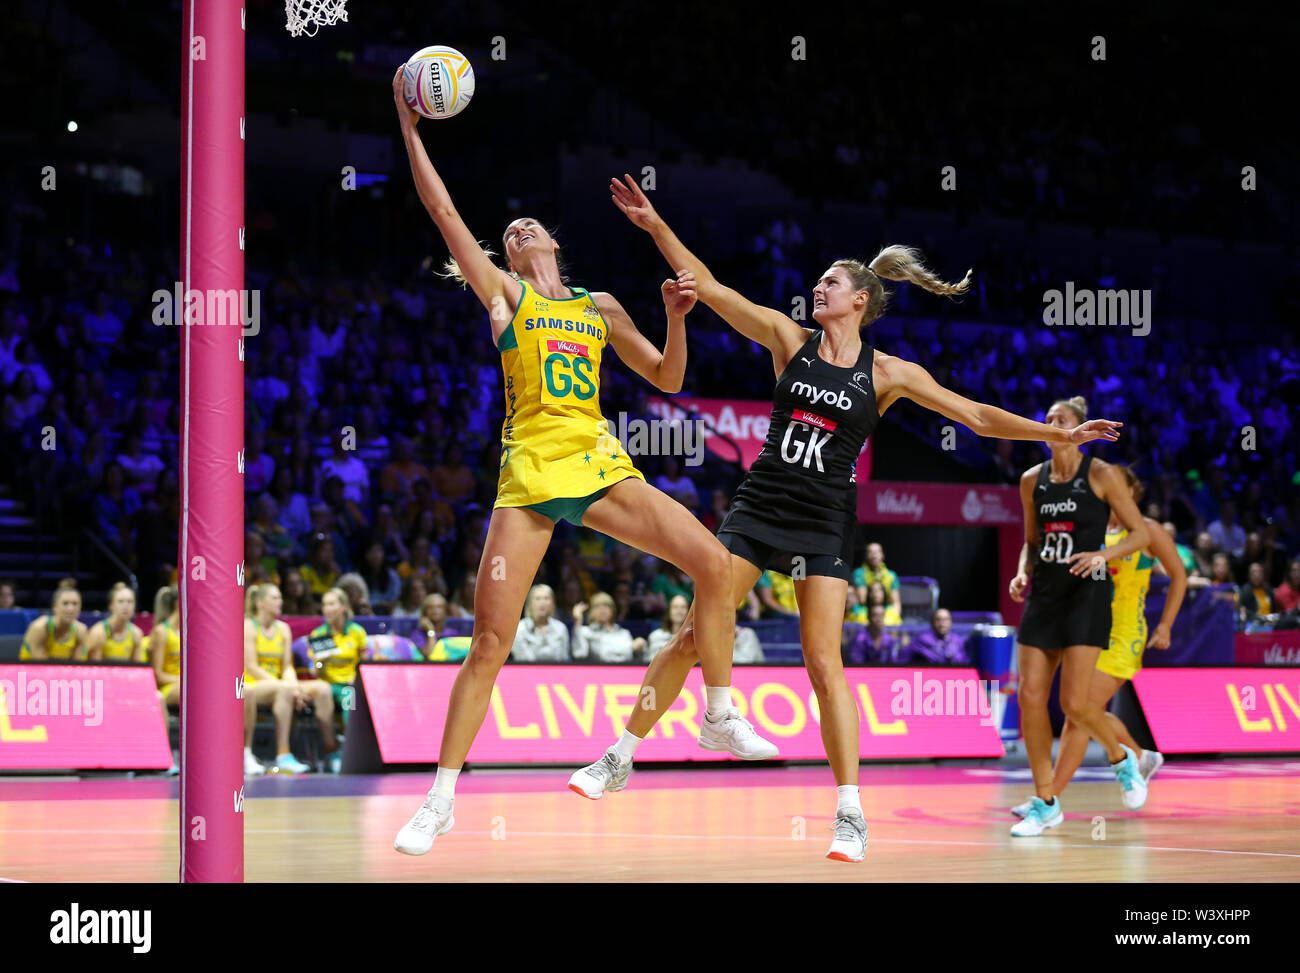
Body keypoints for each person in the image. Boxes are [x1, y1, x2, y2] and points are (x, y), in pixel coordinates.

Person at [570, 175, 1126, 863]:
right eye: (820, 282)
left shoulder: (889, 371)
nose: (818, 289)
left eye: (830, 283)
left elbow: (976, 415)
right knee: (690, 636)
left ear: (859, 300)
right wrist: (655, 224)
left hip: (825, 520)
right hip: (760, 503)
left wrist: (1061, 437)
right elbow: (706, 284)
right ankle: (619, 756)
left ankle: (851, 812)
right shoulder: (786, 335)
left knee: (823, 660)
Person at [389, 74, 742, 857]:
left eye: (528, 225)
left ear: (553, 240)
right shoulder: (507, 297)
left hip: (600, 461)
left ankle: (717, 710)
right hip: (530, 477)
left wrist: (677, 318)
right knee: (489, 640)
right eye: (508, 230)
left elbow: (669, 379)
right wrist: (409, 127)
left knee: (715, 563)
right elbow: (445, 214)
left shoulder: (599, 305)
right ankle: (441, 797)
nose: (517, 229)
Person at [1008, 397, 1152, 837]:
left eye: (1061, 419)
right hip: (1045, 596)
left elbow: (1141, 533)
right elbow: (1031, 540)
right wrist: (1020, 572)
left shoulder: (1103, 475)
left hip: (1086, 597)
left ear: (1080, 428)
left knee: (1074, 704)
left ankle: (1120, 756)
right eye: (1048, 420)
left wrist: (1102, 554)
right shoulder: (1032, 480)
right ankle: (1046, 802)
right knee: (1030, 698)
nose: (1053, 425)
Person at [1012, 466, 1187, 816]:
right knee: (1086, 710)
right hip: (1084, 628)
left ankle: (1049, 800)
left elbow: (1180, 577)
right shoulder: (1089, 527)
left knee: (1079, 713)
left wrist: (1165, 625)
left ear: (1130, 492)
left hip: (1124, 635)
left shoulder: (1148, 531)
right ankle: (1139, 756)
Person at [242, 584, 331, 776]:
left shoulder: (283, 629)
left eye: (280, 598)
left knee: (322, 688)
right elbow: (251, 667)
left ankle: (331, 750)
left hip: (280, 686)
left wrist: (294, 686)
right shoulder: (248, 627)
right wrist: (285, 686)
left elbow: (288, 667)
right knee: (284, 690)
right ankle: (283, 754)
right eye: (275, 598)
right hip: (253, 684)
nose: (280, 602)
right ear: (260, 603)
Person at [305, 588, 369, 732]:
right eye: (324, 605)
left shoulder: (357, 632)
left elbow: (364, 664)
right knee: (324, 694)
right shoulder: (319, 634)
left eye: (331, 604)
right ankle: (331, 746)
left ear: (343, 607)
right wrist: (321, 661)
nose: (327, 609)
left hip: (349, 684)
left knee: (349, 696)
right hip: (327, 685)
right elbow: (317, 671)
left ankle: (350, 745)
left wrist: (357, 679)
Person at [19, 580, 87, 660]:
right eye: (65, 603)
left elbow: (78, 666)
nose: (70, 609)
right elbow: (42, 666)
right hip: (25, 671)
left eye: (75, 604)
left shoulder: (81, 630)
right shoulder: (39, 628)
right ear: (55, 607)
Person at [572, 592, 646, 663]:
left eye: (606, 605)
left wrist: (638, 649)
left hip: (624, 674)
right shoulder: (585, 632)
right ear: (591, 611)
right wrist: (578, 622)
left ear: (612, 610)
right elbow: (579, 655)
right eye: (597, 606)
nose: (602, 609)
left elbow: (633, 660)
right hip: (598, 673)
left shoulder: (624, 633)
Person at [85, 582, 145, 662]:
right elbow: (94, 670)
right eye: (120, 601)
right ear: (111, 606)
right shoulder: (98, 633)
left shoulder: (136, 634)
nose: (126, 606)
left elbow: (138, 669)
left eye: (130, 601)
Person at [510, 584, 570, 661]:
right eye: (538, 599)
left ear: (552, 603)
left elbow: (564, 660)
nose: (542, 603)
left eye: (546, 598)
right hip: (527, 672)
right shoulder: (519, 629)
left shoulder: (561, 628)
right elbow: (523, 659)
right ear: (530, 603)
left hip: (556, 672)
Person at [149, 586, 182, 711]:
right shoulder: (161, 632)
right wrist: (185, 681)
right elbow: (158, 675)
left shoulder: (192, 631)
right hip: (167, 688)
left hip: (187, 685)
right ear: (178, 603)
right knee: (195, 691)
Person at [853, 542, 902, 621]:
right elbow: (862, 600)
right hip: (865, 611)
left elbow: (896, 602)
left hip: (885, 611)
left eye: (877, 552)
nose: (874, 555)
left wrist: (892, 619)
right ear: (866, 556)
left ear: (882, 555)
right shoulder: (859, 573)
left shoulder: (891, 575)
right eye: (870, 552)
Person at [645, 594, 689, 662]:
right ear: (669, 611)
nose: (679, 611)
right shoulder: (655, 636)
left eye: (683, 607)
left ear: (688, 611)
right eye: (675, 607)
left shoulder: (694, 639)